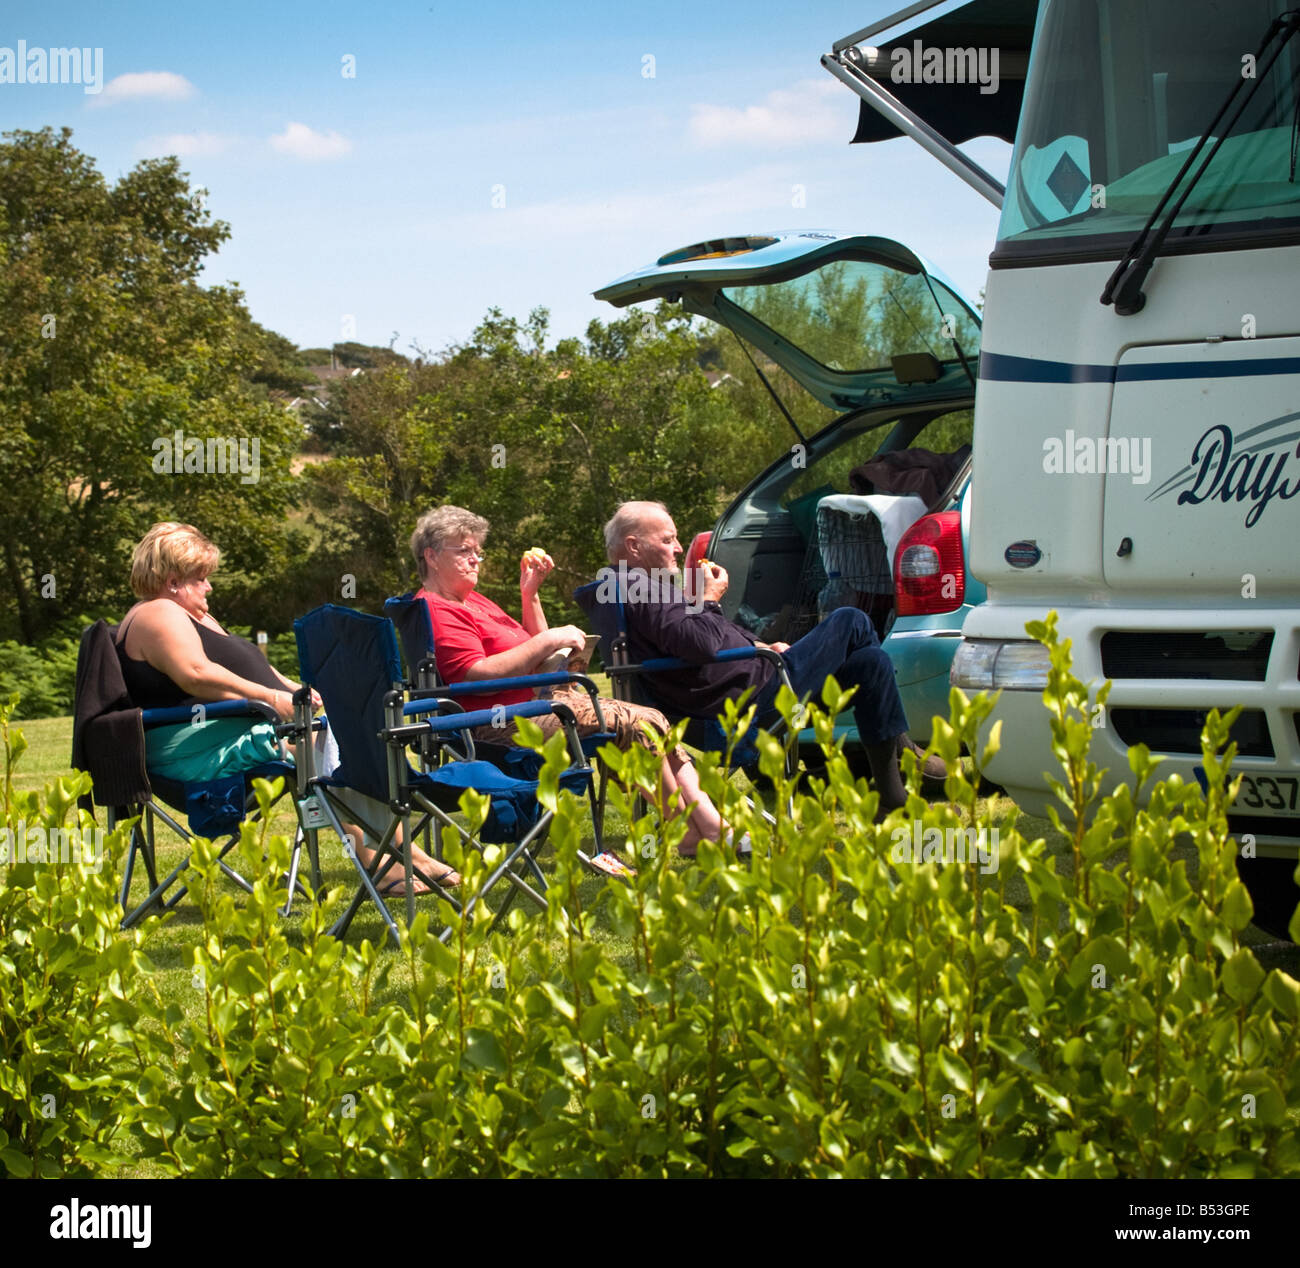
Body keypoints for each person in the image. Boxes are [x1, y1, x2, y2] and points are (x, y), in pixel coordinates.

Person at [116, 522, 457, 892]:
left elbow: (248, 666)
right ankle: (376, 856)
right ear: (172, 580)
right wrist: (271, 698)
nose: (209, 586)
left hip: (229, 734)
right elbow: (196, 675)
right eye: (201, 578)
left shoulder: (190, 614)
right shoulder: (157, 613)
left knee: (340, 734)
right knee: (317, 743)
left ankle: (401, 849)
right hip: (194, 752)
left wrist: (293, 689)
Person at [410, 505, 734, 857]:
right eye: (465, 551)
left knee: (651, 718)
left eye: (478, 551)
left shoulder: (476, 602)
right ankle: (689, 830)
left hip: (538, 705)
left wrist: (530, 594)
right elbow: (476, 673)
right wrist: (549, 642)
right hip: (493, 722)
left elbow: (530, 648)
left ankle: (709, 825)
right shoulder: (436, 607)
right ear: (431, 556)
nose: (476, 559)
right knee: (639, 723)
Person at [602, 501, 946, 815]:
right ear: (634, 546)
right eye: (668, 540)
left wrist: (763, 648)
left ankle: (893, 801)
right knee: (850, 620)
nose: (678, 548)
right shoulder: (639, 590)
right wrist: (708, 598)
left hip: (761, 682)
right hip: (753, 705)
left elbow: (709, 637)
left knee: (872, 664)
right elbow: (701, 645)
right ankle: (901, 747)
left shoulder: (645, 587)